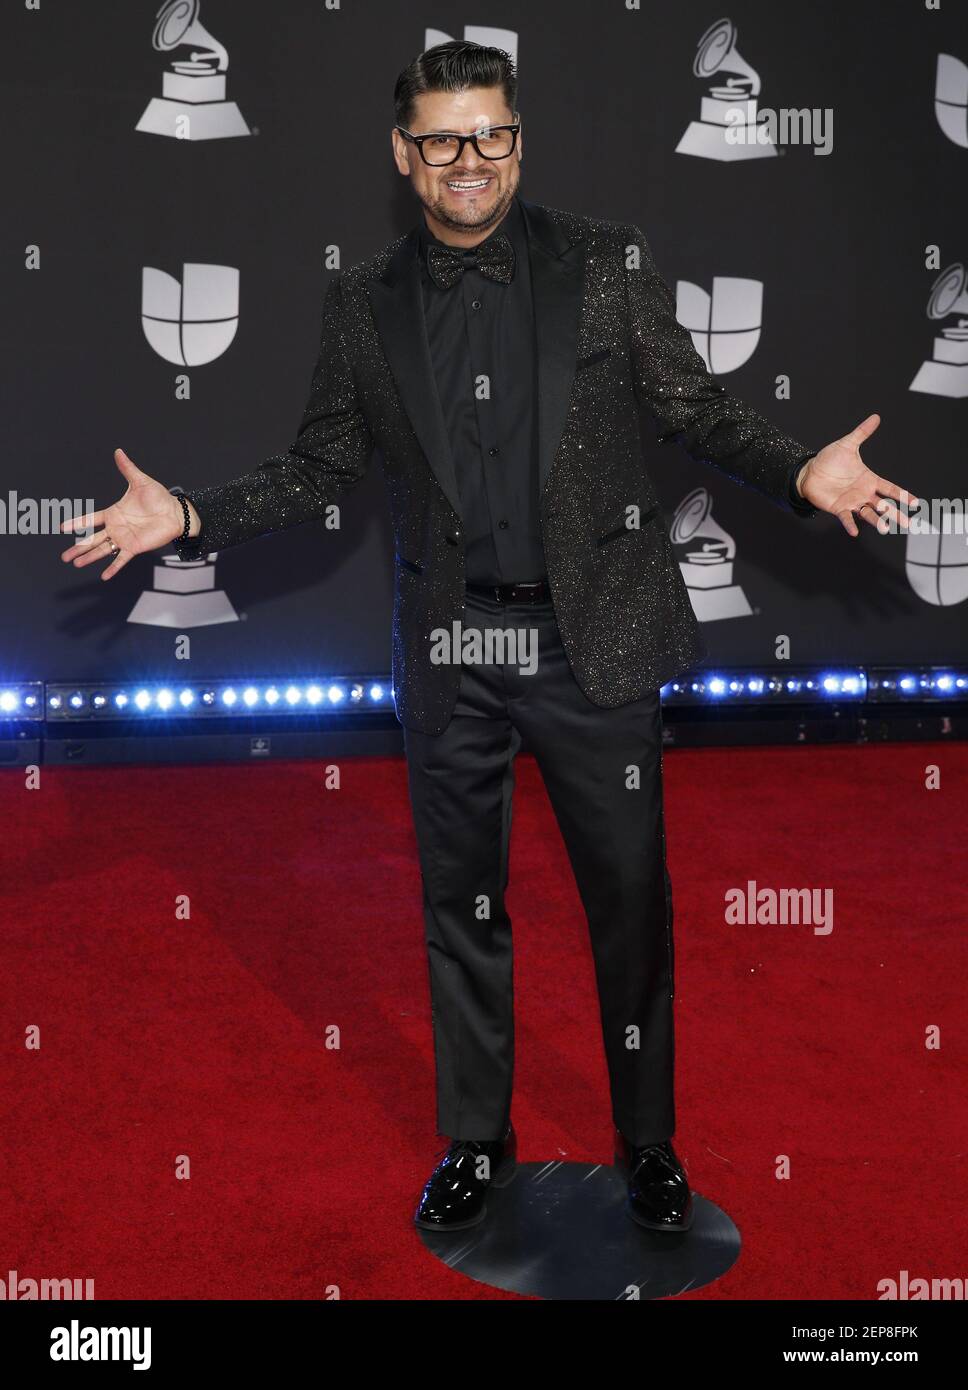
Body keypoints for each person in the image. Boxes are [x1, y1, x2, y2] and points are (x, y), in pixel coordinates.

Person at [60, 40, 916, 1235]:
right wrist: (194, 513)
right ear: (403, 155)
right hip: (454, 649)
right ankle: (476, 1138)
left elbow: (693, 410)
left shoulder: (604, 262)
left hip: (589, 642)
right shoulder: (362, 302)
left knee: (628, 901)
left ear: (518, 137)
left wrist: (795, 471)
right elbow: (320, 464)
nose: (472, 161)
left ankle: (648, 1142)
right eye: (445, 139)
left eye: (493, 134)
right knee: (459, 905)